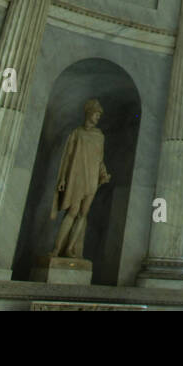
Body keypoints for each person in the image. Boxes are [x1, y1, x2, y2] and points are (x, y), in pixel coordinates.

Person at [49, 99, 111, 259]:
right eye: (96, 114)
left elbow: (100, 158)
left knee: (84, 213)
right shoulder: (77, 133)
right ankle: (57, 248)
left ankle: (70, 248)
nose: (98, 117)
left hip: (92, 178)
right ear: (89, 113)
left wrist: (103, 173)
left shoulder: (99, 136)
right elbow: (67, 157)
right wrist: (62, 178)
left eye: (99, 115)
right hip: (77, 176)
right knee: (73, 211)